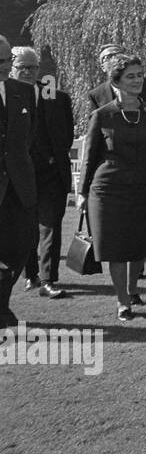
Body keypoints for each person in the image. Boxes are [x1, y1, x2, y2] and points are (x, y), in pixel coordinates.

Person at [78, 54, 146, 321]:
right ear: (116, 81)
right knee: (116, 247)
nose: (137, 80)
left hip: (143, 188)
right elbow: (90, 156)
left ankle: (132, 290)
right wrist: (82, 193)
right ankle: (123, 302)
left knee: (140, 246)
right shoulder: (102, 115)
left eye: (139, 75)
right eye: (130, 76)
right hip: (107, 191)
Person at [88, 44, 146, 282]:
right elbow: (96, 137)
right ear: (103, 65)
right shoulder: (97, 94)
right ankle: (131, 276)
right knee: (122, 224)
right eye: (106, 58)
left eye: (115, 55)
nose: (111, 59)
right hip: (115, 171)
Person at [11, 47, 74, 299]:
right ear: (12, 68)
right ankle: (31, 274)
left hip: (50, 173)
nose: (27, 72)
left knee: (51, 227)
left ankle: (48, 279)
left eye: (32, 67)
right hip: (17, 175)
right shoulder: (5, 97)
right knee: (26, 227)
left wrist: (51, 158)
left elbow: (66, 136)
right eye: (22, 67)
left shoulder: (57, 98)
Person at [0, 37, 38, 328]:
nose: (3, 67)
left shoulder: (23, 93)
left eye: (5, 60)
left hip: (19, 187)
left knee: (18, 248)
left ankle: (3, 302)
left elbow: (27, 139)